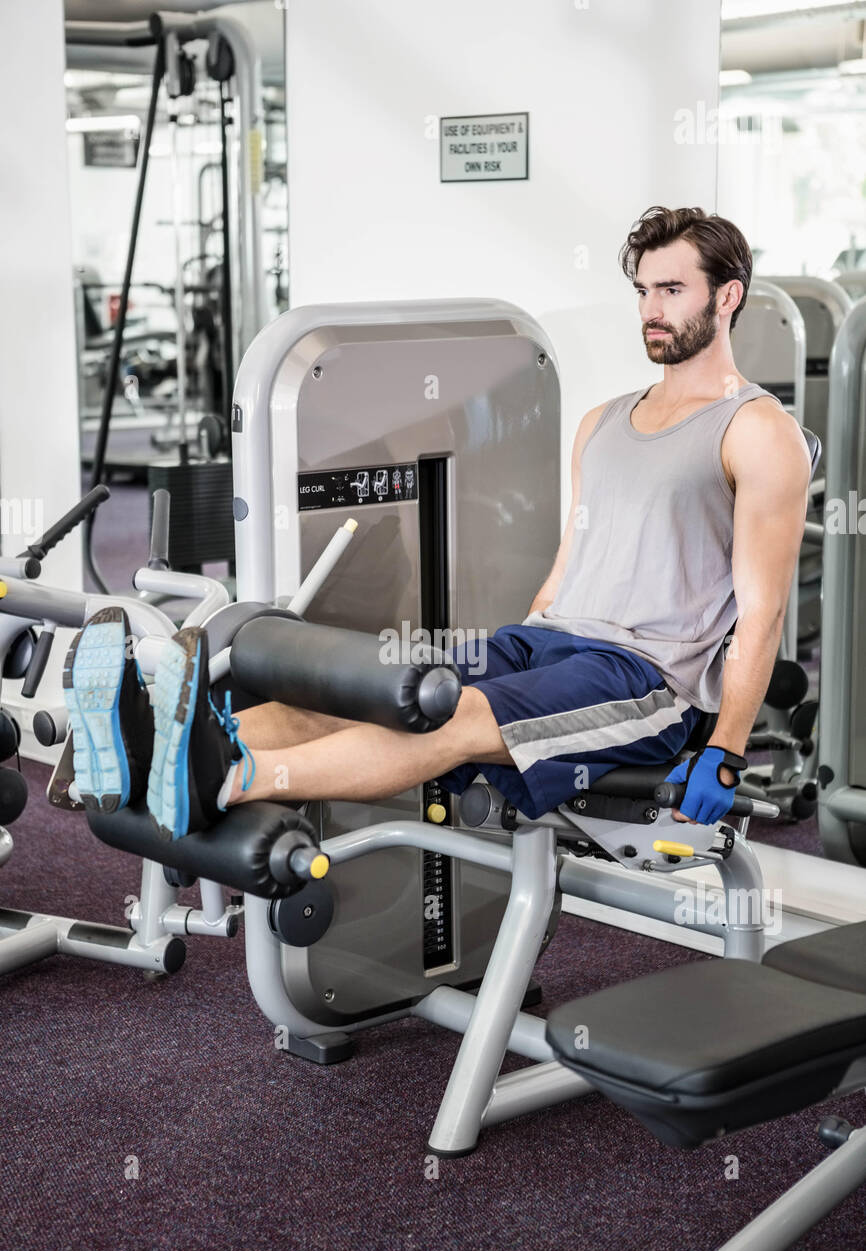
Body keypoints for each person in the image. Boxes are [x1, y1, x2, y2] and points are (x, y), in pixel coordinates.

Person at [63, 205, 811, 842]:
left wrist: (728, 749)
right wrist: (529, 637)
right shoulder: (602, 421)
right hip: (547, 641)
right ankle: (149, 746)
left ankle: (228, 778)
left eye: (673, 289)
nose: (651, 308)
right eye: (645, 289)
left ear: (726, 297)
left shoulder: (755, 430)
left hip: (645, 676)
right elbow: (572, 556)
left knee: (452, 718)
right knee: (376, 691)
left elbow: (763, 608)